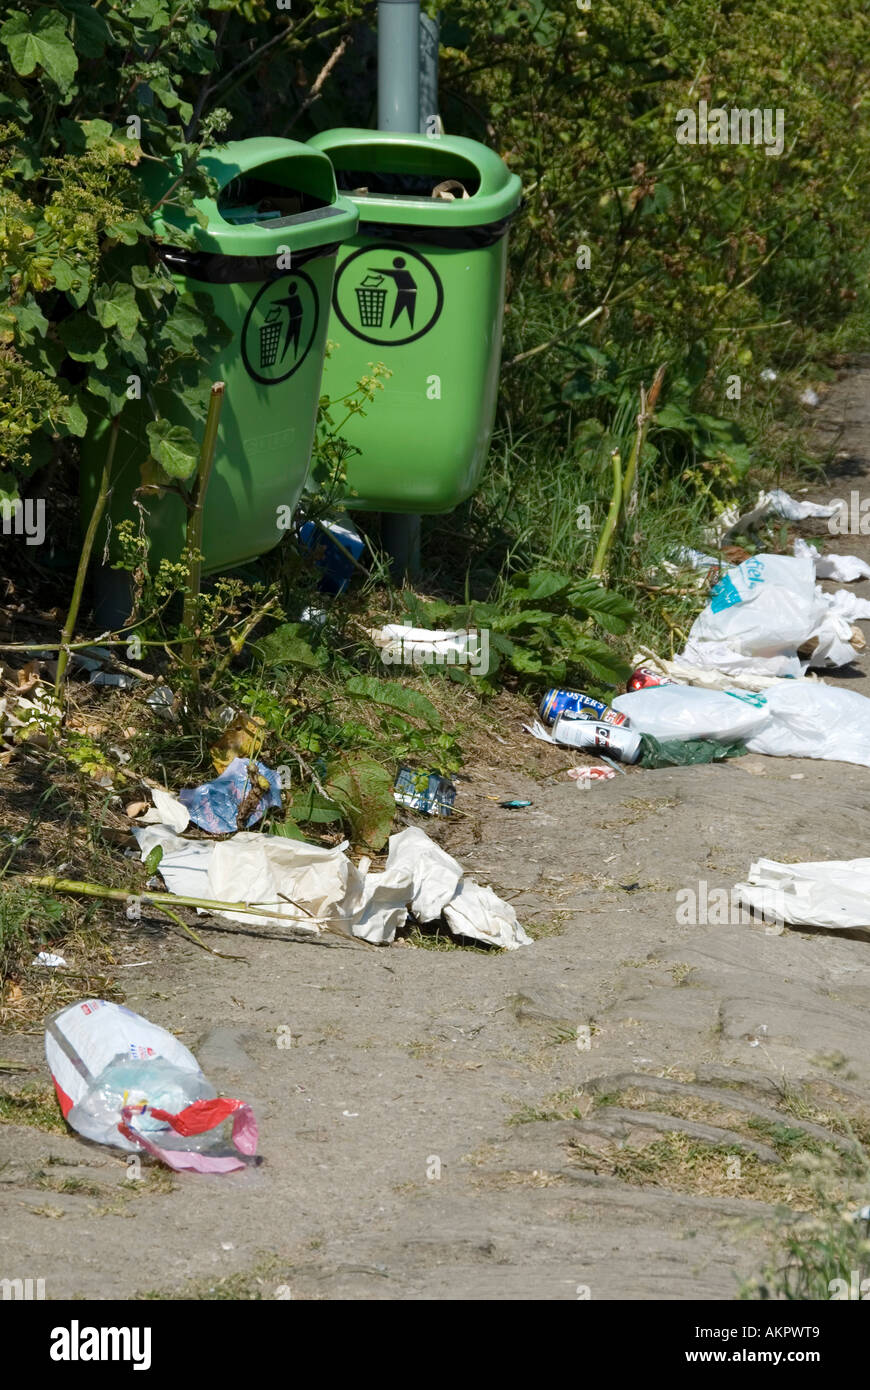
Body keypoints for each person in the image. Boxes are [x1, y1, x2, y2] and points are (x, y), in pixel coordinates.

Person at [371, 256, 418, 329]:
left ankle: (408, 326)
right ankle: (394, 325)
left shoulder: (401, 272)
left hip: (407, 293)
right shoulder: (403, 272)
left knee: (403, 311)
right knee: (400, 311)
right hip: (406, 292)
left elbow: (387, 272)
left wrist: (372, 269)